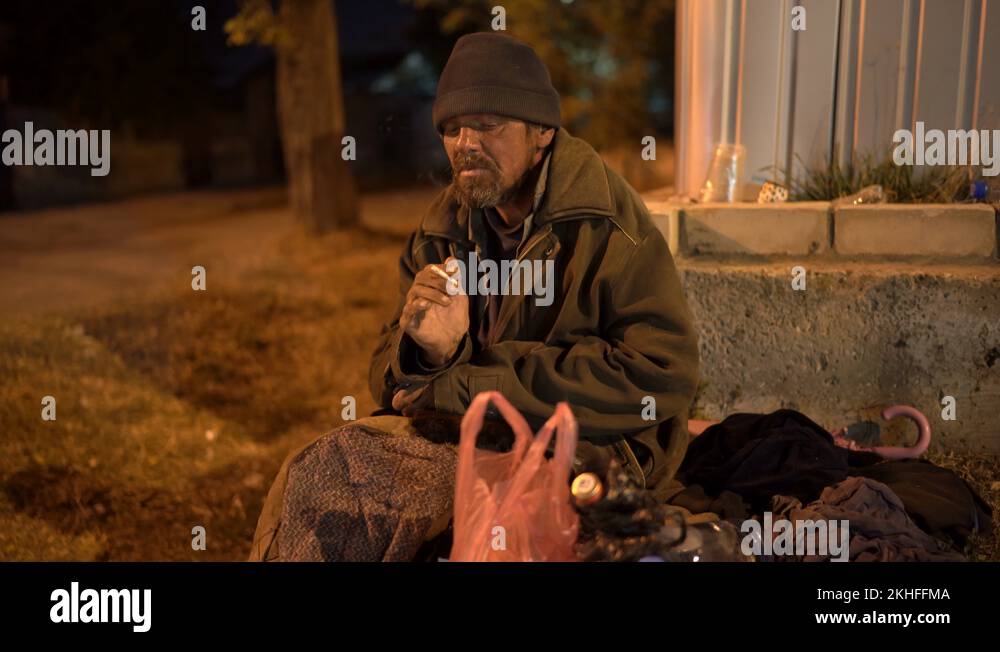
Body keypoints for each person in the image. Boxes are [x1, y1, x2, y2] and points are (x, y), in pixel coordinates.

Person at [250, 32, 700, 561]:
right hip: (471, 433)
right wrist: (427, 353)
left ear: (542, 134)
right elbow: (386, 372)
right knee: (318, 473)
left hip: (592, 451)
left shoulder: (604, 224)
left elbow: (660, 370)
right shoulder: (444, 226)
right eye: (453, 128)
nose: (465, 143)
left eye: (487, 125)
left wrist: (468, 384)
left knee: (404, 505)